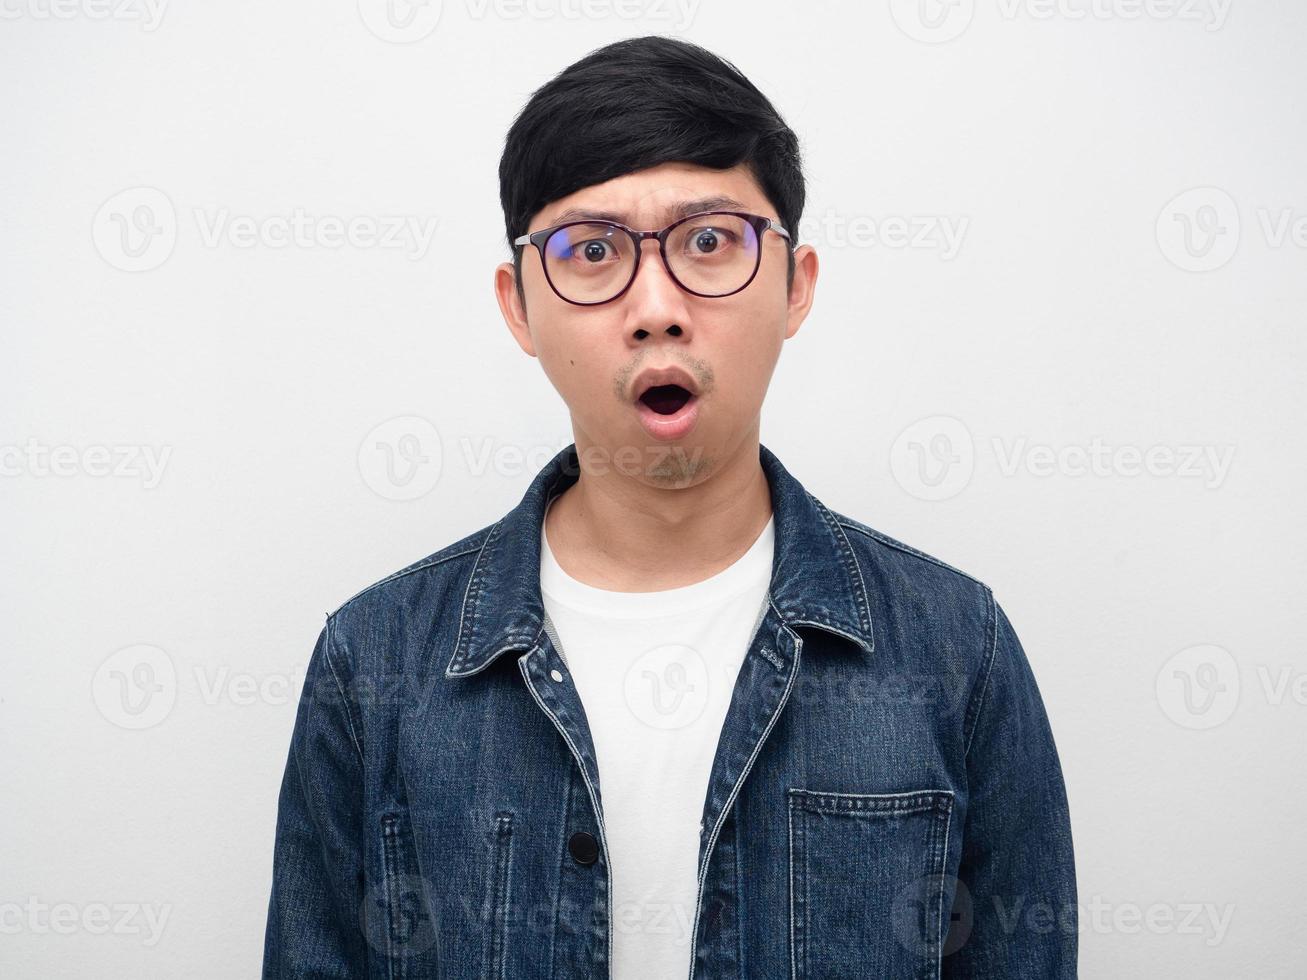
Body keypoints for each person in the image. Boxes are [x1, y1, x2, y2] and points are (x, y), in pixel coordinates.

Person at [263, 34, 1077, 979]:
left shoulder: (954, 649)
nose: (656, 306)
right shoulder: (374, 661)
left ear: (794, 286)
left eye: (708, 241)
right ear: (519, 307)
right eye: (591, 249)